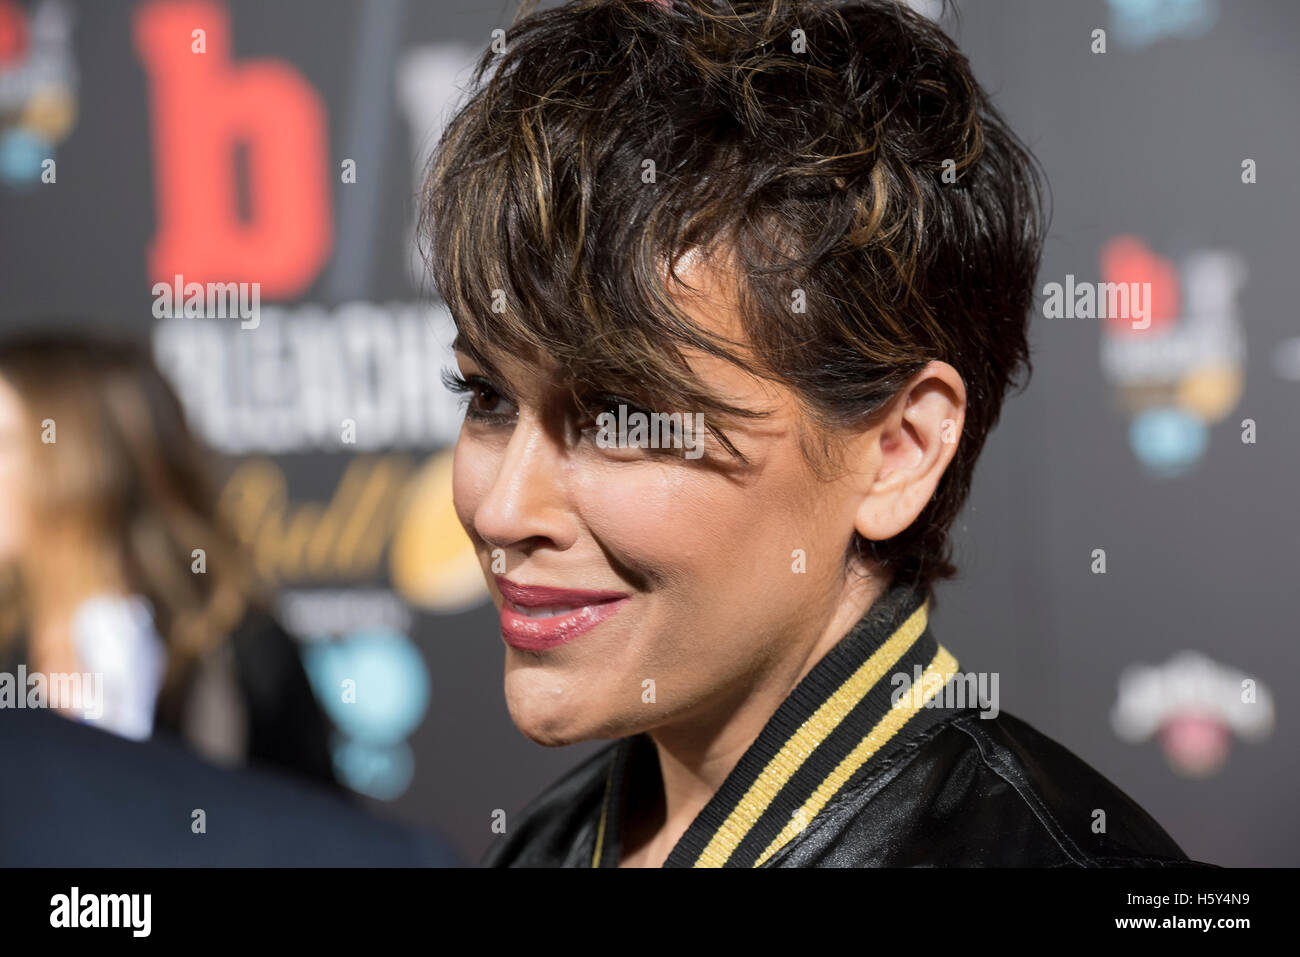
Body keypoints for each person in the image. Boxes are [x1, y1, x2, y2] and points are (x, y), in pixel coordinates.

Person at [419, 0, 1211, 866]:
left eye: (622, 418)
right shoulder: (546, 843)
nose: (501, 510)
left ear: (898, 450)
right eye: (487, 395)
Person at [0, 329, 338, 792]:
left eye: (4, 443)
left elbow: (318, 836)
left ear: (84, 462)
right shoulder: (10, 648)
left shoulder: (237, 655)